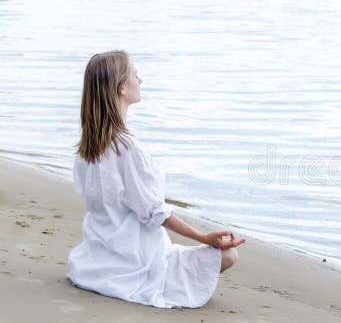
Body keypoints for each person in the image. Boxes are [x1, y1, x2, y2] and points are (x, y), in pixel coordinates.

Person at [66, 50, 245, 308]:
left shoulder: (87, 147)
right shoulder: (127, 149)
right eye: (135, 76)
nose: (141, 81)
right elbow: (154, 212)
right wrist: (205, 237)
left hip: (97, 260)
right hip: (137, 261)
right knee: (229, 255)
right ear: (121, 88)